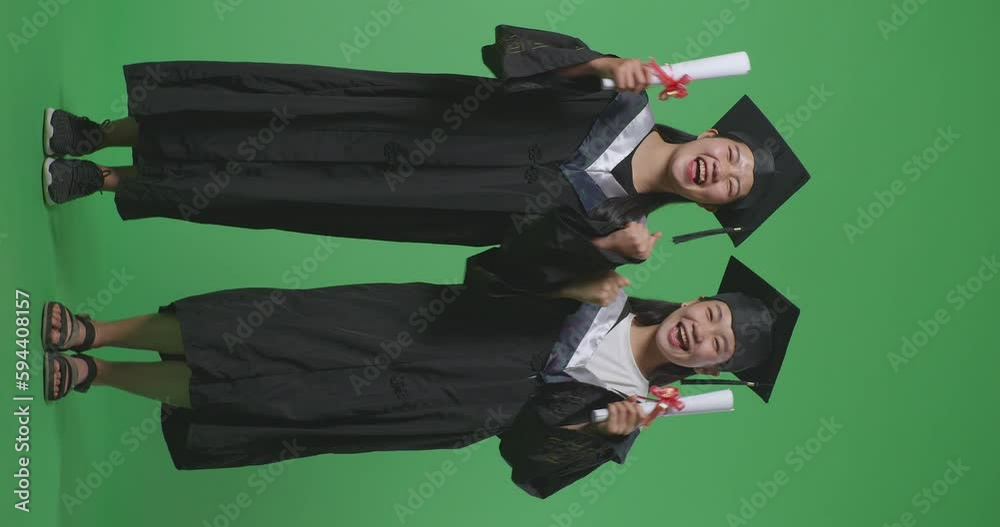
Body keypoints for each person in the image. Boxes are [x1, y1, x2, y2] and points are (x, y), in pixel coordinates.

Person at [40, 256, 799, 498]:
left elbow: (527, 467)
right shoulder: (608, 286)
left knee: (262, 395)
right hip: (423, 324)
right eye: (712, 314)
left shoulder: (626, 412)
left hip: (432, 401)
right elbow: (495, 265)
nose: (702, 332)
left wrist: (600, 434)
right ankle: (97, 330)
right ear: (698, 299)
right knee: (257, 329)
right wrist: (569, 282)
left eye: (717, 345)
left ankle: (95, 372)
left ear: (711, 369)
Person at [40, 24, 809, 260]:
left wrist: (603, 253)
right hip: (412, 118)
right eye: (731, 155)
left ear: (710, 204)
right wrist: (603, 63)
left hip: (405, 197)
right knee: (271, 117)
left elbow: (504, 270)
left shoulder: (618, 228)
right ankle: (100, 133)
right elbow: (508, 54)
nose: (720, 170)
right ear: (711, 131)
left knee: (262, 182)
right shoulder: (621, 91)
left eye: (729, 187)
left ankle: (106, 183)